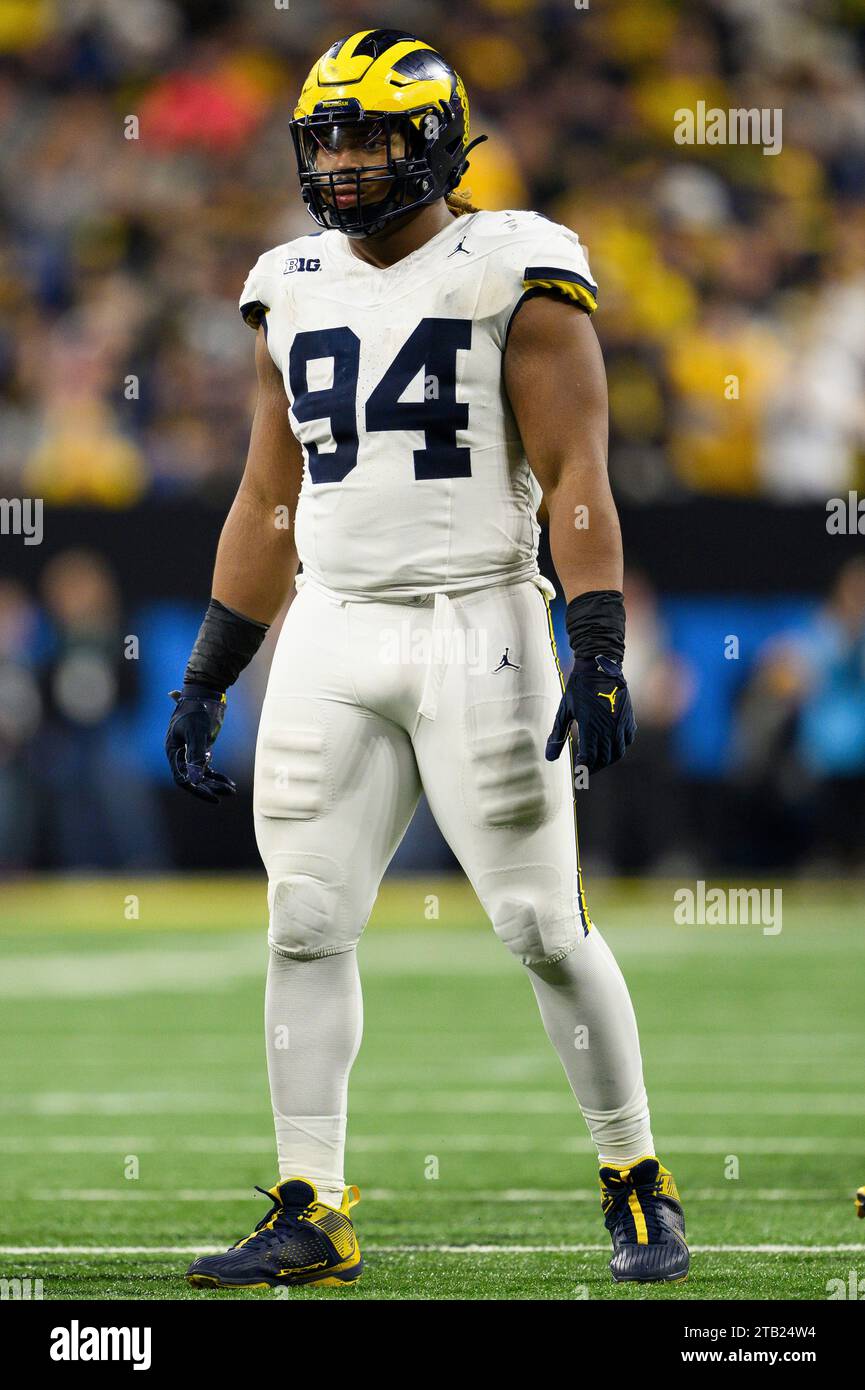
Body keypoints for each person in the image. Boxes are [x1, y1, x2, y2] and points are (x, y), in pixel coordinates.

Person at [166, 28, 689, 1290]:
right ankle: (312, 1203)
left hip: (480, 621)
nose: (340, 161)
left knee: (537, 922)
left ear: (437, 138)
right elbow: (263, 497)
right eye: (325, 135)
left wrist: (596, 636)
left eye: (367, 134)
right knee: (303, 918)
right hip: (334, 627)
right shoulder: (288, 278)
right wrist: (208, 669)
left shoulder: (514, 261)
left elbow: (574, 473)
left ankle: (634, 1178)